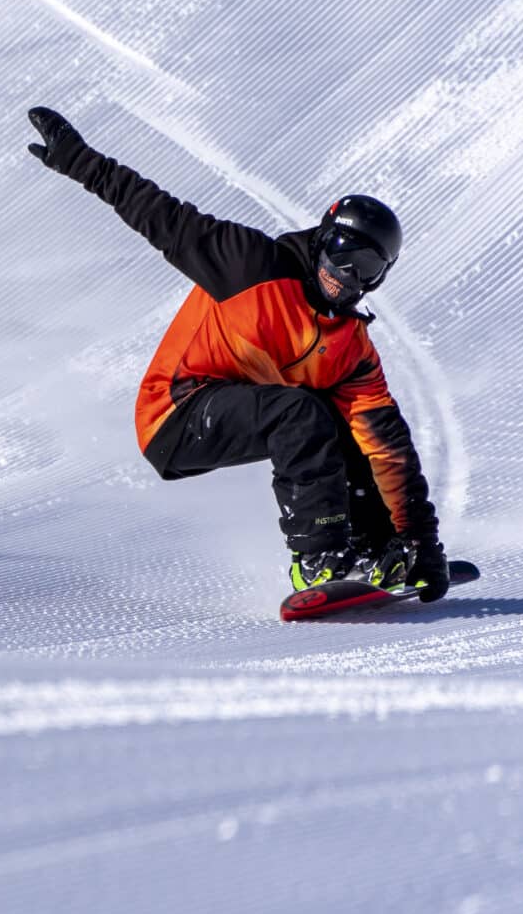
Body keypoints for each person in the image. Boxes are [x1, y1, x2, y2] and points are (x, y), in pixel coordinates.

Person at [23, 105, 450, 600]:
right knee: (303, 413)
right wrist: (81, 161)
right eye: (340, 252)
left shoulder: (350, 348)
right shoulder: (251, 264)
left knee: (345, 425)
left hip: (251, 408)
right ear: (320, 241)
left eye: (367, 266)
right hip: (176, 412)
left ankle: (376, 551)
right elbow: (160, 215)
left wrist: (422, 542)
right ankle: (317, 561)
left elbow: (387, 448)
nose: (346, 274)